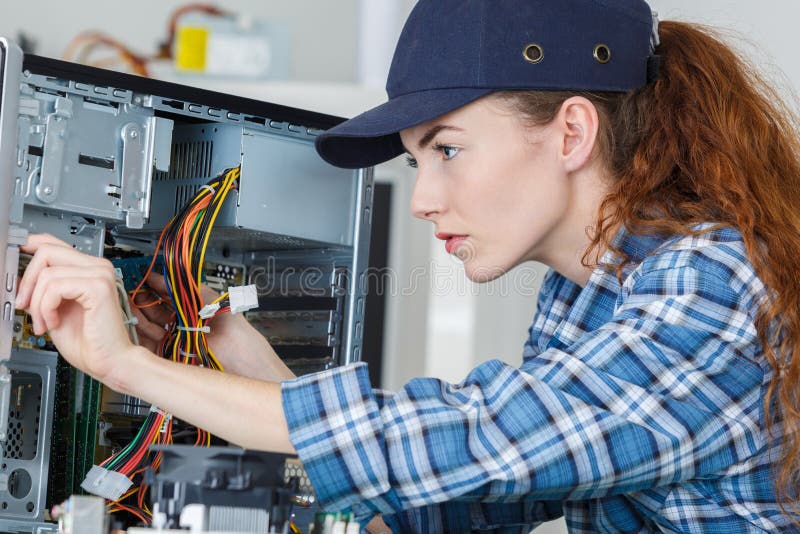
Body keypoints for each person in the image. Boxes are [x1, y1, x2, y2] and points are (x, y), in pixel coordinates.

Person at [14, 0, 800, 531]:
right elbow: (457, 501)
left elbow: (469, 439)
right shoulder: (585, 292)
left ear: (570, 133)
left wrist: (125, 368)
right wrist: (246, 365)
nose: (423, 199)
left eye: (448, 150)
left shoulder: (716, 288)